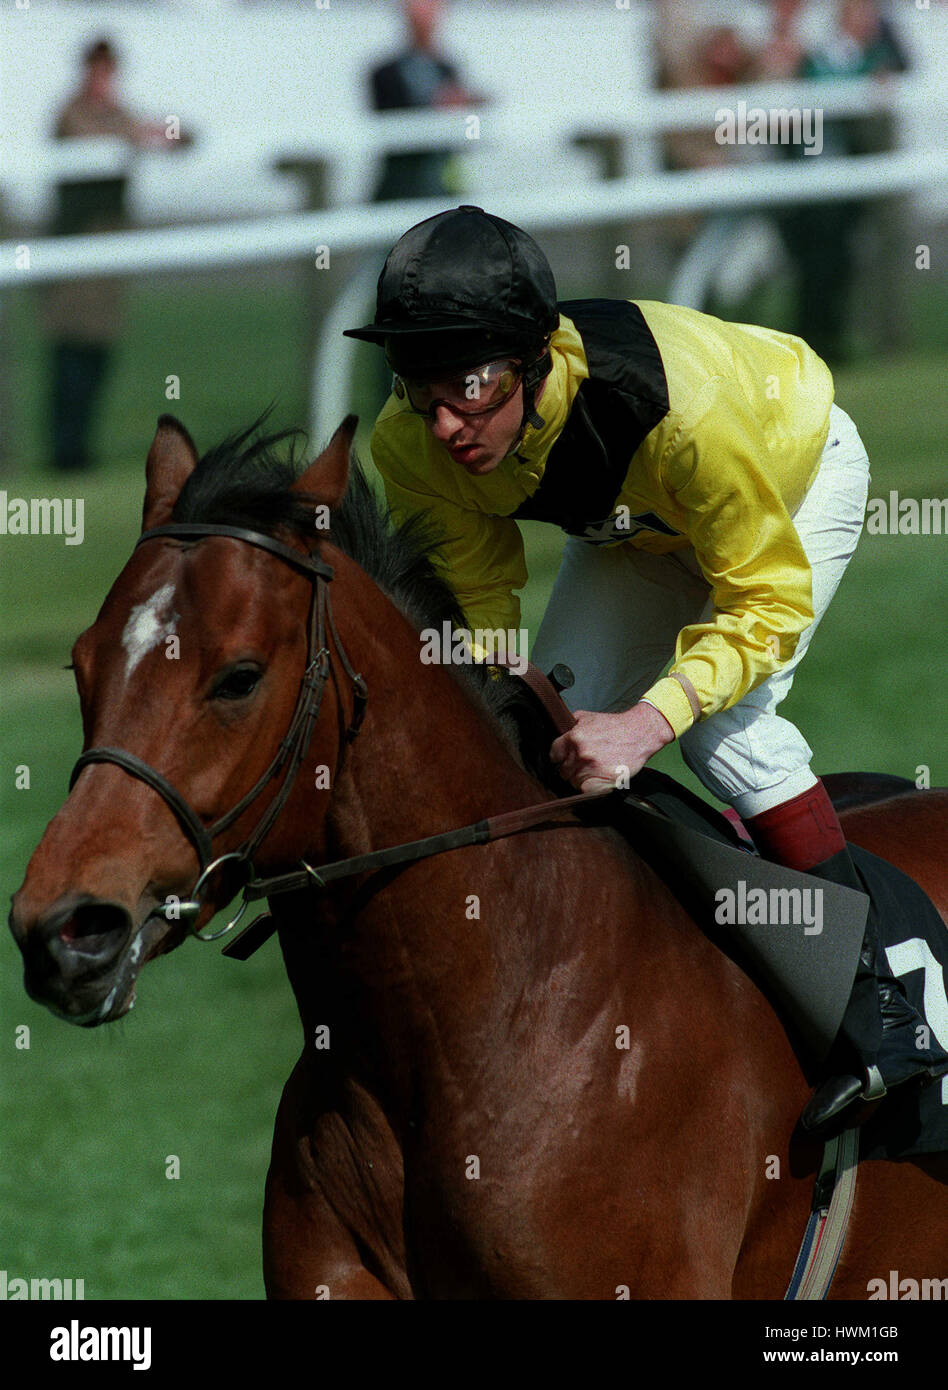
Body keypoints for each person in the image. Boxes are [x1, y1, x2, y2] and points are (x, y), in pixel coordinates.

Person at [344, 205, 948, 1135]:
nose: (448, 424)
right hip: (637, 525)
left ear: (537, 360)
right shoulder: (410, 441)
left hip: (791, 478)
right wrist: (508, 691)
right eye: (422, 390)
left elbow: (766, 599)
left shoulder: (678, 409)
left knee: (719, 730)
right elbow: (482, 598)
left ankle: (882, 1016)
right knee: (537, 732)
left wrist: (647, 722)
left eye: (472, 385)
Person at [43, 37, 189, 472]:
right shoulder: (72, 113)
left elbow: (181, 135)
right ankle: (64, 453)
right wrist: (142, 134)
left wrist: (166, 132)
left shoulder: (122, 116)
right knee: (69, 360)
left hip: (106, 266)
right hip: (73, 261)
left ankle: (80, 451)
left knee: (98, 360)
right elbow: (89, 139)